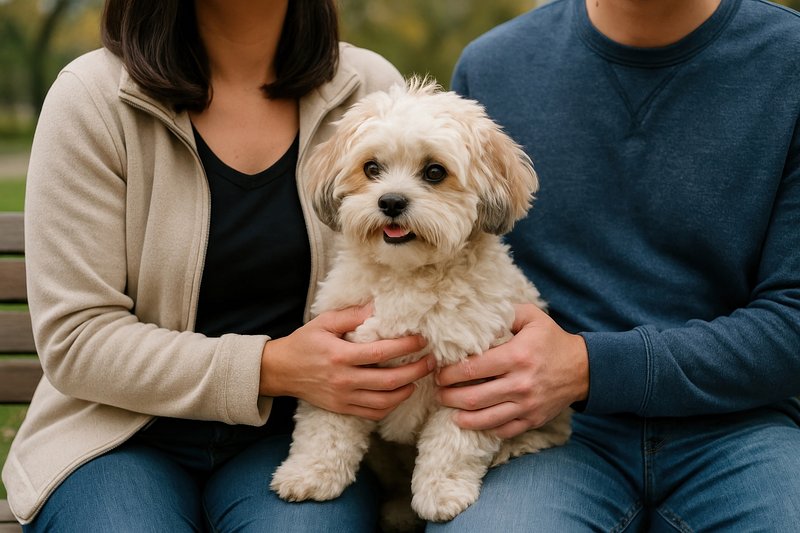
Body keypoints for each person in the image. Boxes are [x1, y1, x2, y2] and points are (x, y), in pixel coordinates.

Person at [1, 0, 433, 531]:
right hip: (115, 436)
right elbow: (77, 339)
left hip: (295, 436)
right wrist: (269, 367)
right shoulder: (91, 97)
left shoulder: (367, 87)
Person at [434, 0, 800, 530]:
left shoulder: (787, 59)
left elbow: (792, 321)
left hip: (742, 426)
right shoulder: (493, 66)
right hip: (546, 430)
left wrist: (589, 367)